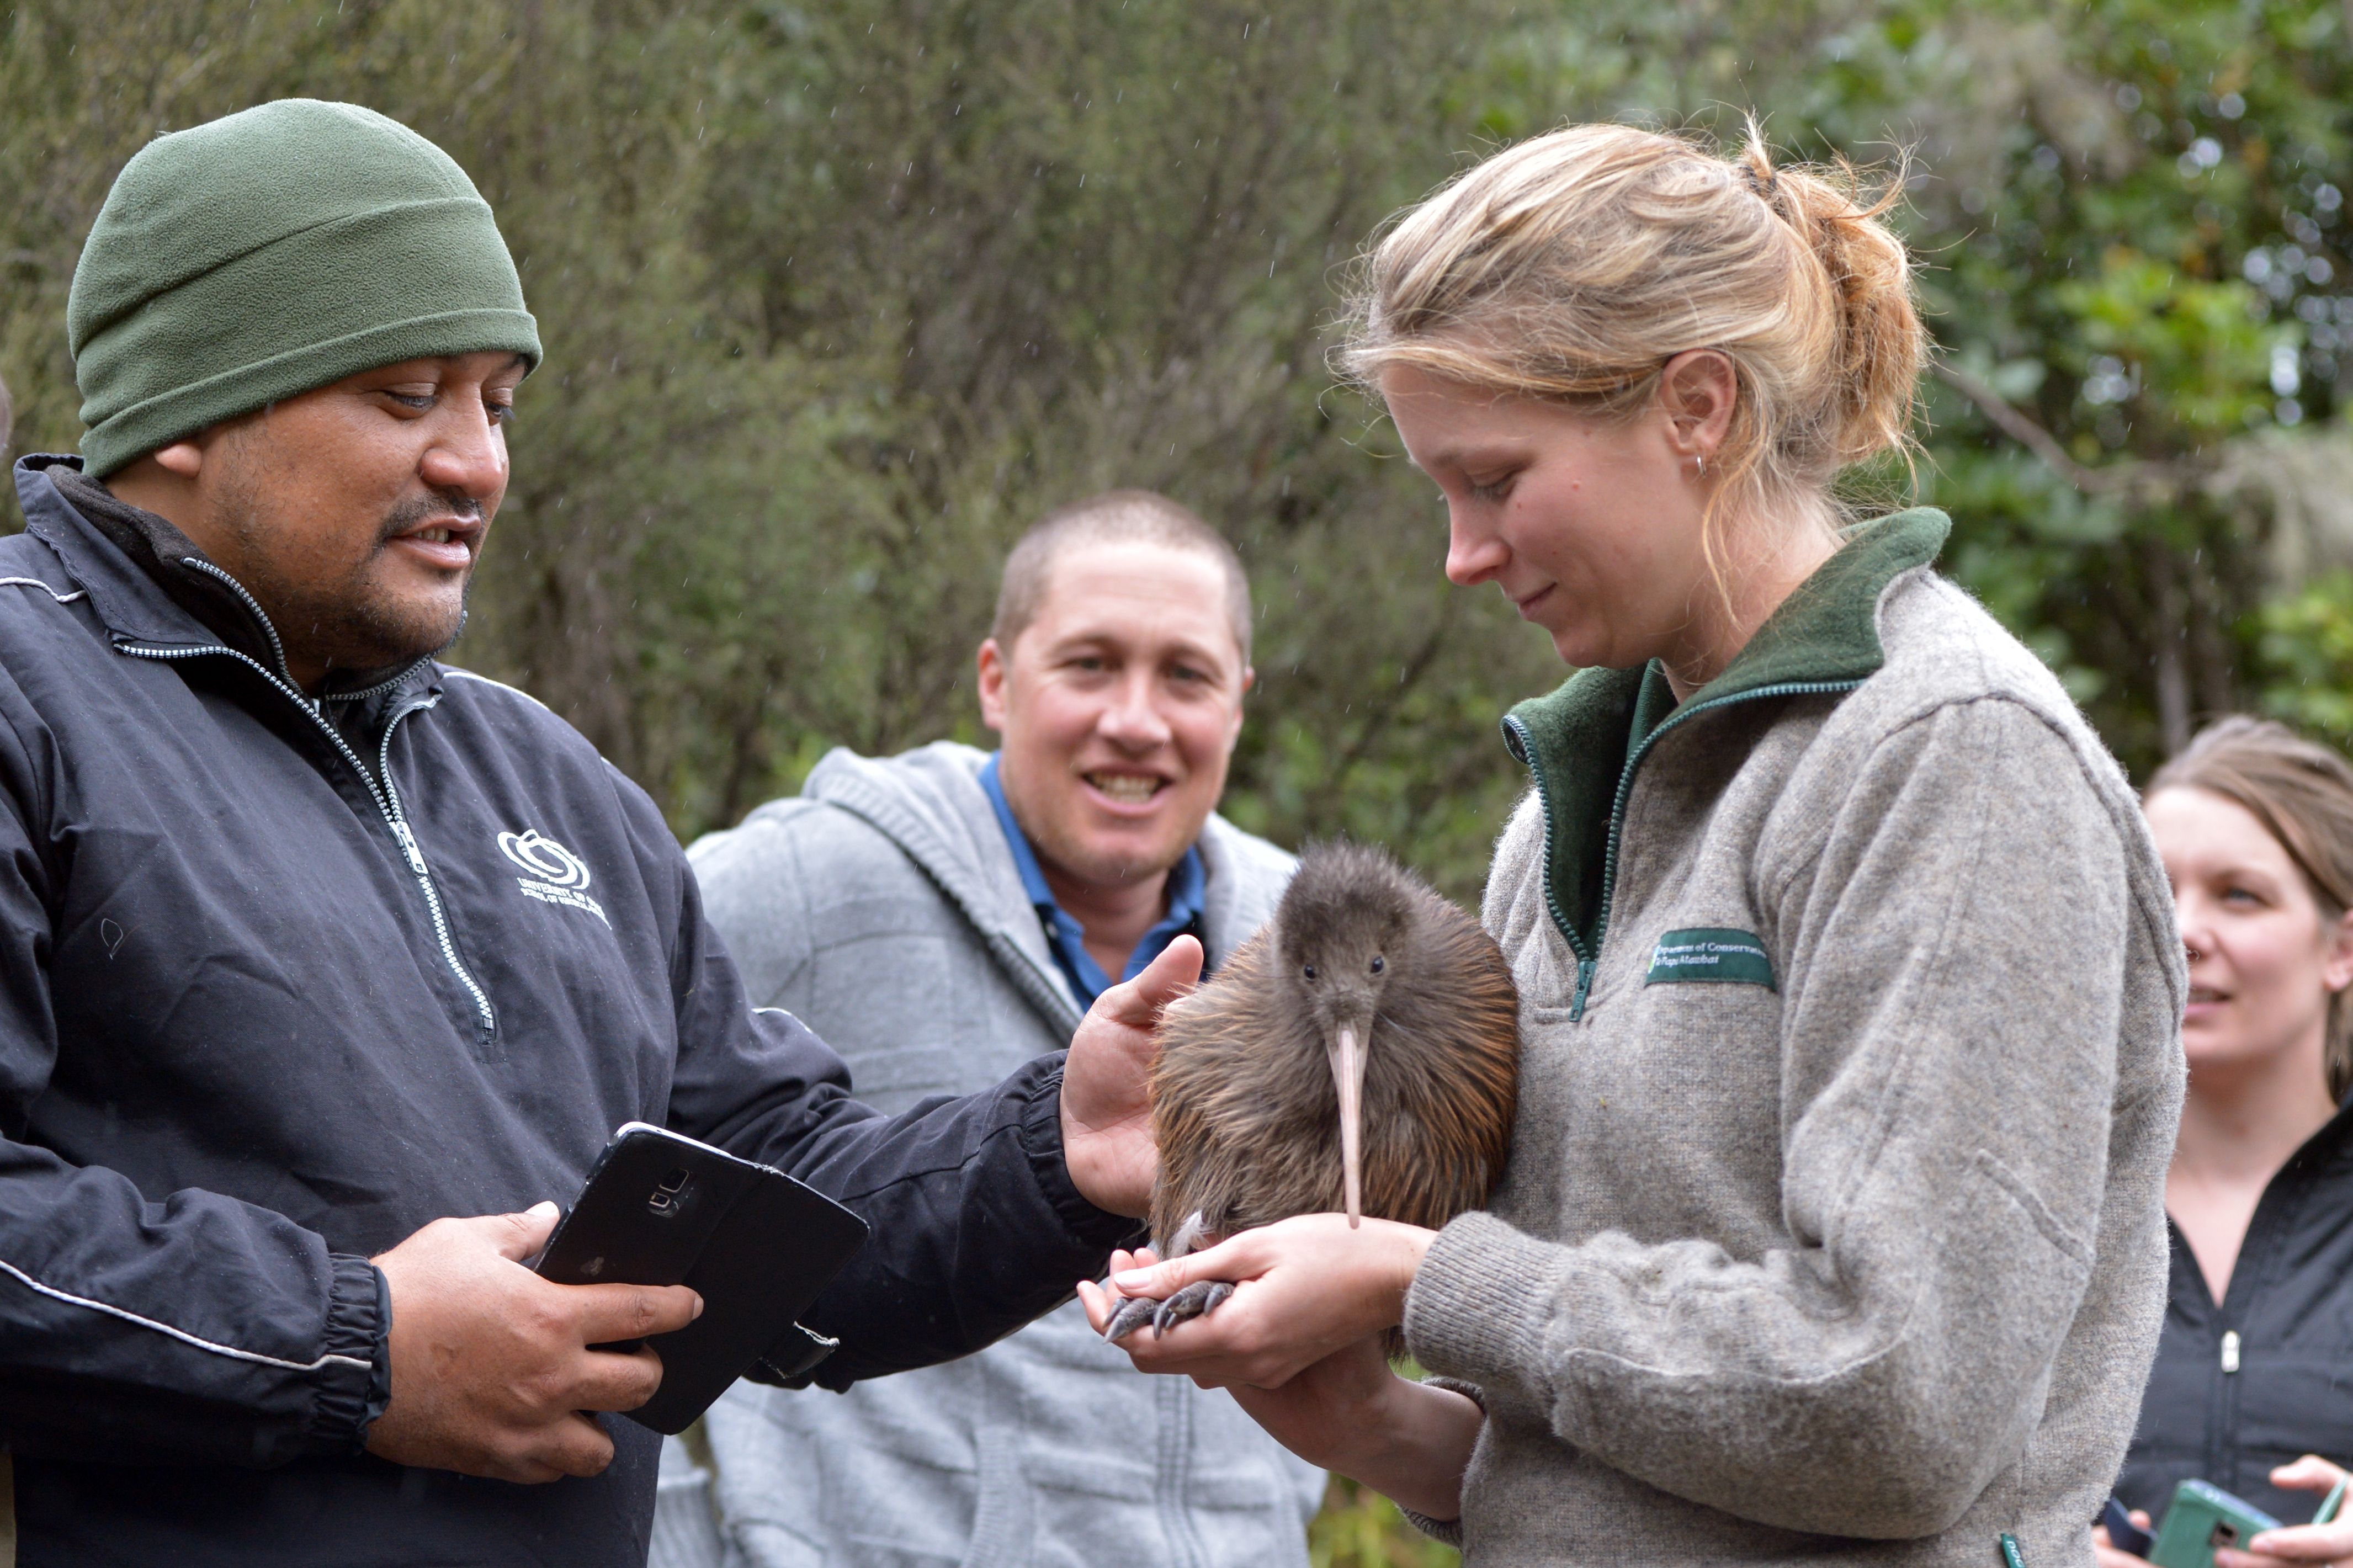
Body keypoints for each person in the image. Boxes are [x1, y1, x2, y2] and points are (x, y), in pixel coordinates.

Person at [0, 99, 1175, 1565]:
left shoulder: (547, 779)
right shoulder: (26, 692)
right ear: (187, 407)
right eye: (409, 393)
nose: (477, 462)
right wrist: (356, 1344)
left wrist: (1057, 1152)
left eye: (496, 402)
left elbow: (781, 1203)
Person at [1080, 123, 2187, 1564]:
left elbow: (1903, 1405)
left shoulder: (1948, 760)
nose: (1462, 554)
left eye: (1495, 478)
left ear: (1698, 408)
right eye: (1443, 493)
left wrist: (1423, 1281)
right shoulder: (1563, 820)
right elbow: (1592, 1460)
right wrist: (1359, 1415)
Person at [647, 491, 1325, 1566]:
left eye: (1184, 675)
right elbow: (549, 1107)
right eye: (1089, 664)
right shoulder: (809, 881)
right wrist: (672, 1535)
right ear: (996, 680)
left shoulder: (1309, 947)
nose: (1137, 720)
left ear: (1238, 701)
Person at [2090, 718, 2353, 1568]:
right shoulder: (2045, 1203)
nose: (2183, 930)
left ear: (2342, 947)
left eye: (2239, 894)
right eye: (2157, 893)